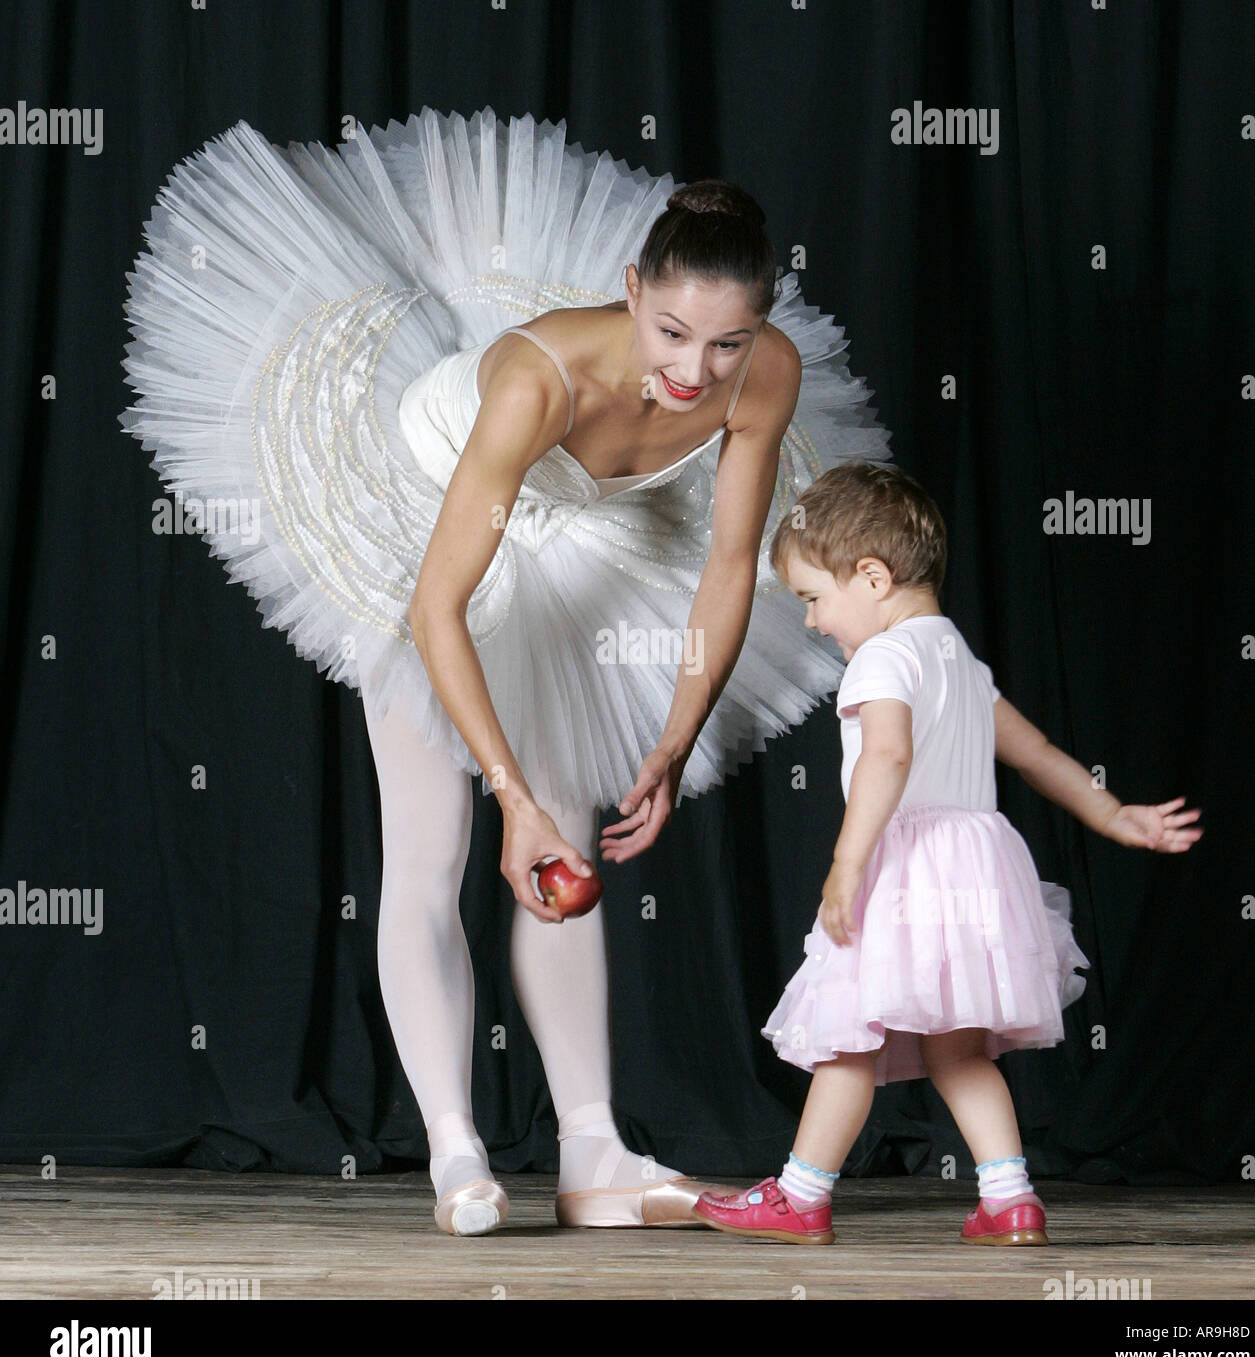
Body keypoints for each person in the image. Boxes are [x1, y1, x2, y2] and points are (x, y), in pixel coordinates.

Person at [118, 108, 891, 1235]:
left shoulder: (758, 376)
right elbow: (435, 605)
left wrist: (673, 740)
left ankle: (592, 1148)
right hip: (425, 523)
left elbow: (727, 565)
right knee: (438, 844)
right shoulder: (538, 380)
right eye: (672, 333)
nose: (694, 371)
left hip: (572, 547)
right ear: (631, 291)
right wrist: (510, 794)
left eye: (724, 344)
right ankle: (455, 1151)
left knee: (563, 857)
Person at [694, 463, 1204, 1245]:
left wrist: (847, 861)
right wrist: (1111, 812)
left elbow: (886, 758)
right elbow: (1032, 751)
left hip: (905, 867)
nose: (812, 621)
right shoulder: (958, 658)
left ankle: (800, 1195)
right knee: (960, 1051)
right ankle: (1011, 1199)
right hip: (977, 870)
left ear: (873, 576)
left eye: (813, 599)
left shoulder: (883, 658)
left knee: (846, 1036)